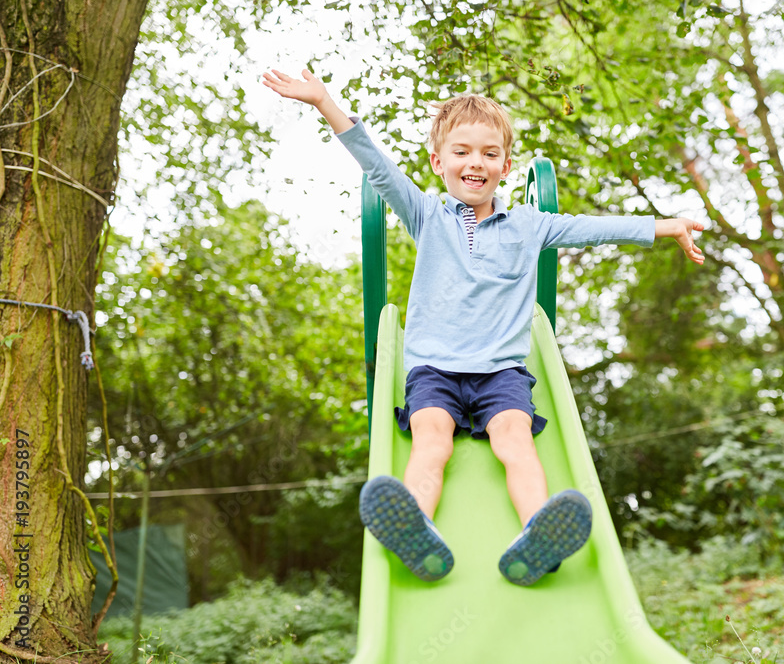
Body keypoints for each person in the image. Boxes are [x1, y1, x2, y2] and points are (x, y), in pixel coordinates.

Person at [262, 68, 706, 586]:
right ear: (438, 161)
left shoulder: (529, 225)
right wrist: (324, 102)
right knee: (432, 438)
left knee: (515, 437)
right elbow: (378, 170)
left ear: (506, 165)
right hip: (435, 369)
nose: (476, 162)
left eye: (489, 153)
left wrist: (667, 225)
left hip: (501, 372)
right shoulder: (426, 215)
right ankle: (414, 529)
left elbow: (597, 228)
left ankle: (539, 534)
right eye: (462, 151)